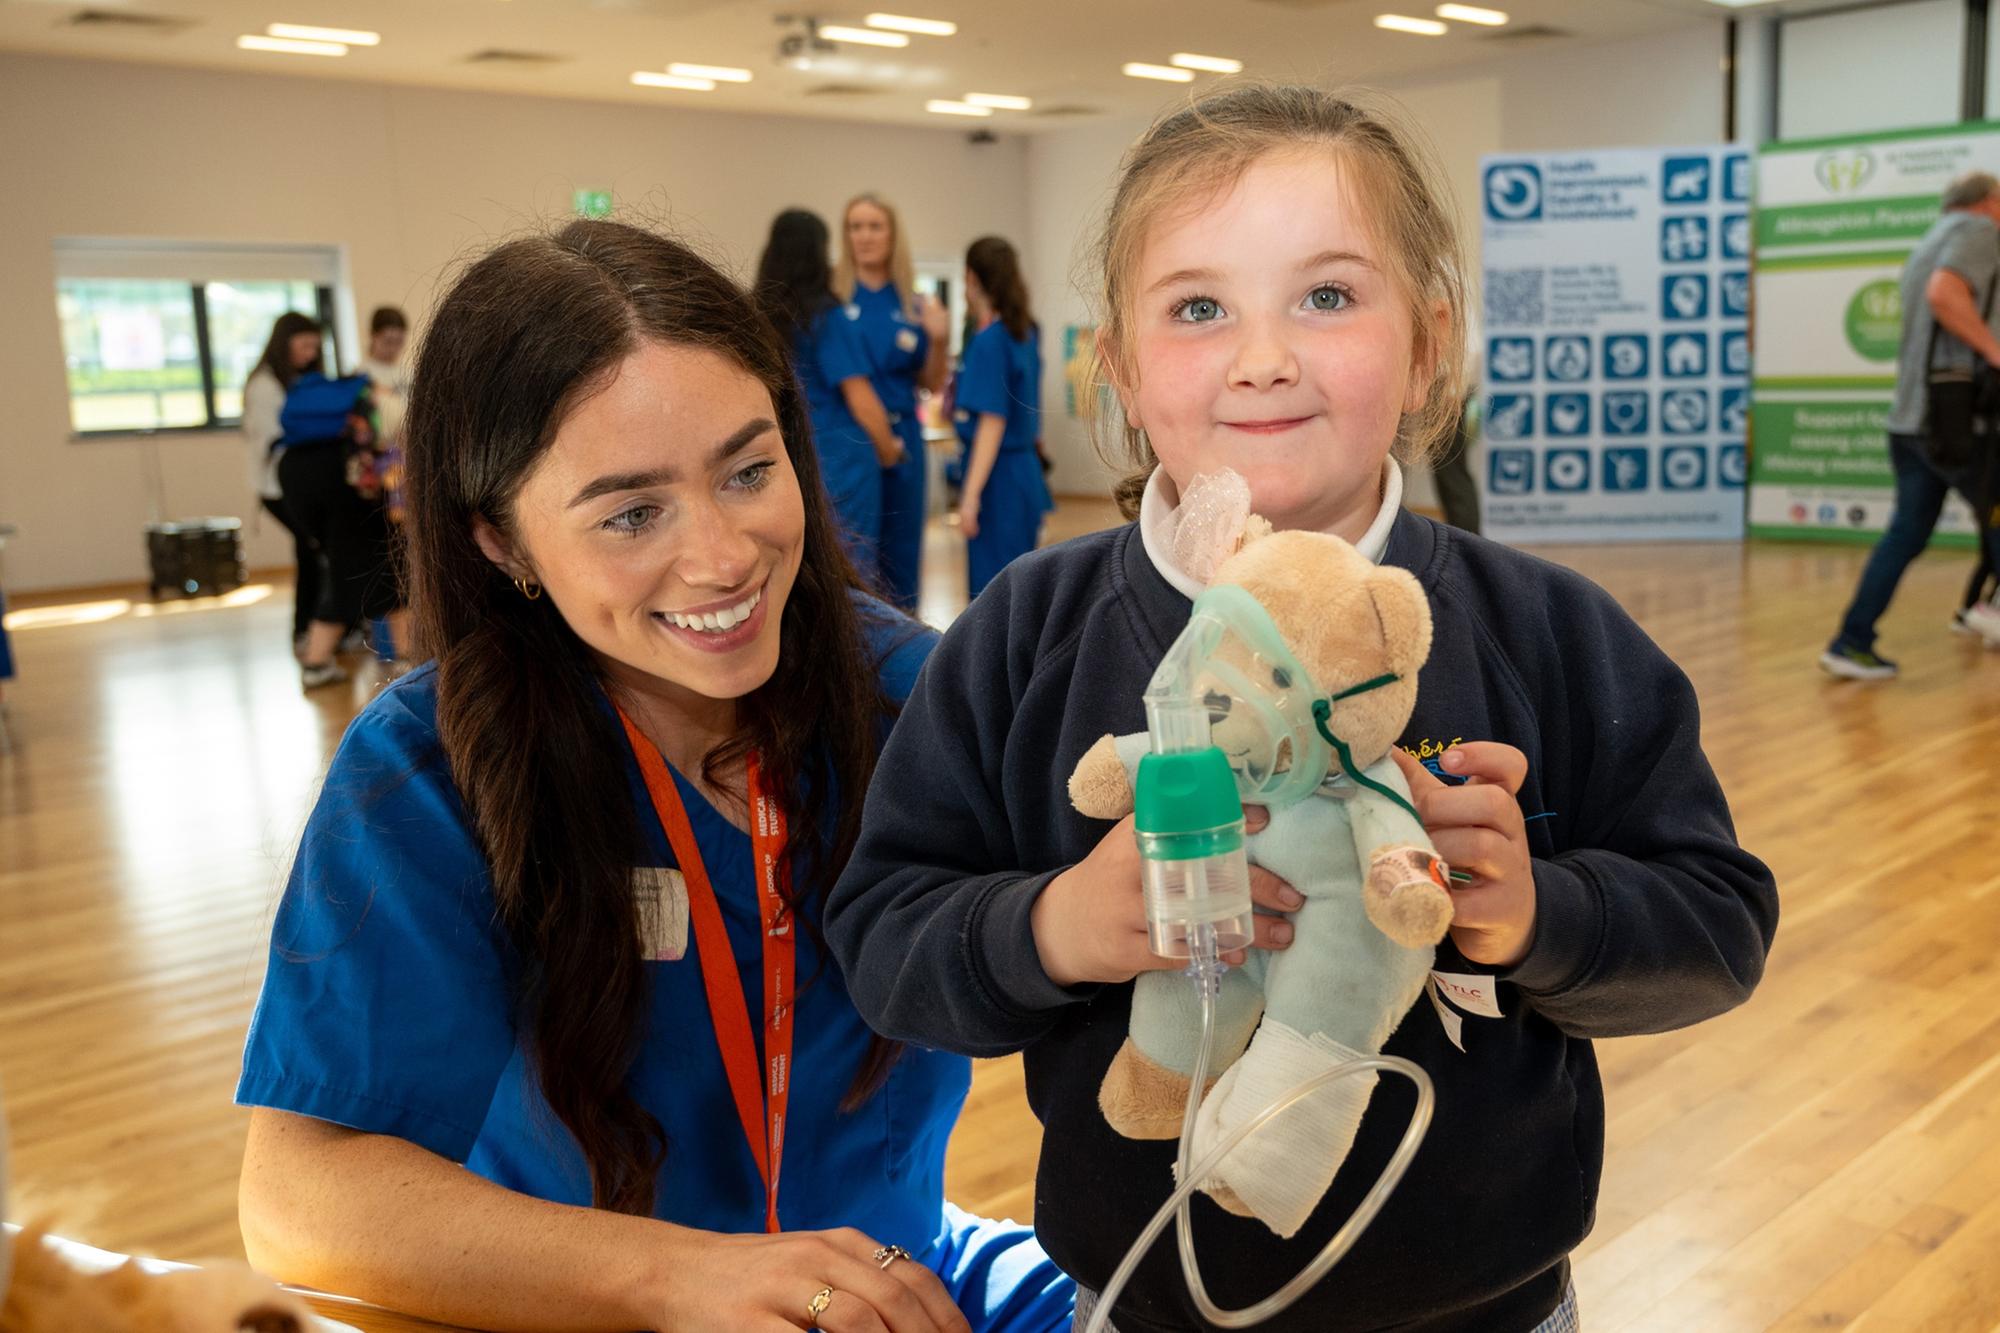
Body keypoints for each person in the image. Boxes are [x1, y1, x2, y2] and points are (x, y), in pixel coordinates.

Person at [826, 86, 1778, 1332]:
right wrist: (1059, 923)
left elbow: (1714, 926)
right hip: (1138, 1303)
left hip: (1491, 1307)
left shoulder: (1548, 630)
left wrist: (1540, 910)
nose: (1261, 354)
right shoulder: (1024, 632)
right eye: (1196, 307)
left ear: (1428, 341)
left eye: (1325, 295)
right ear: (1112, 359)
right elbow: (887, 939)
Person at [234, 219, 1073, 1333]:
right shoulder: (430, 769)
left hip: (888, 1292)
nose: (724, 556)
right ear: (501, 542)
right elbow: (299, 1196)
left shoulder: (914, 696)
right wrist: (675, 1276)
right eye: (632, 512)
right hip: (596, 1307)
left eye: (748, 470)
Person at [1821, 170, 2000, 678]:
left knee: (1907, 534)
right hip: (1957, 423)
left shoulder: (1928, 240)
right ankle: (1986, 611)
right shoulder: (1979, 233)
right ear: (1989, 202)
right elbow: (1945, 295)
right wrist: (1994, 350)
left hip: (1911, 421)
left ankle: (1850, 641)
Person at [756, 209, 903, 583]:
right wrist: (888, 451)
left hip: (788, 453)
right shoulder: (826, 316)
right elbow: (861, 399)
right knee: (852, 569)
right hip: (844, 461)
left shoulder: (759, 316)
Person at [836, 194, 952, 610]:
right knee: (852, 550)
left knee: (903, 549)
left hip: (905, 435)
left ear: (892, 234)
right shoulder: (833, 297)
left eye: (874, 226)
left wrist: (939, 339)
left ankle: (905, 643)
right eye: (855, 226)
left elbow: (932, 382)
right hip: (850, 440)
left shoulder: (913, 304)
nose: (864, 236)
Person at [954, 237, 1051, 599]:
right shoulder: (1026, 332)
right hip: (1025, 472)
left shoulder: (989, 341)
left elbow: (991, 424)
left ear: (972, 279)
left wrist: (970, 496)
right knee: (1022, 589)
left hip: (998, 478)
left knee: (993, 595)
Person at [241, 312, 325, 653]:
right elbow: (274, 436)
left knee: (312, 551)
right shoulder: (264, 385)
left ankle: (312, 628)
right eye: (304, 345)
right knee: (312, 550)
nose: (310, 353)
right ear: (284, 343)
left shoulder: (298, 379)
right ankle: (305, 629)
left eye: (314, 347)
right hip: (276, 486)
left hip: (296, 483)